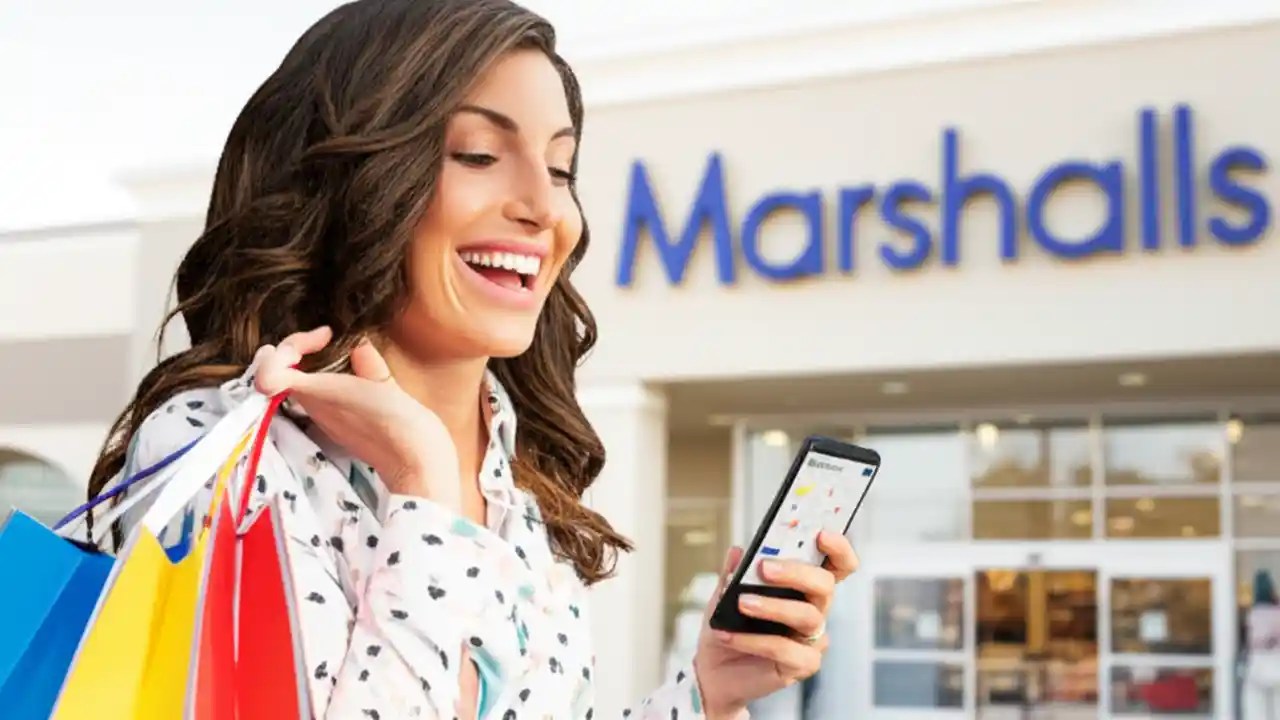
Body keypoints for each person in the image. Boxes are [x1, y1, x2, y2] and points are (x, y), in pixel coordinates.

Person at [84, 1, 860, 717]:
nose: (543, 206)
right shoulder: (224, 454)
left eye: (560, 169)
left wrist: (707, 691)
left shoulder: (515, 479)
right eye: (479, 154)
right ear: (355, 180)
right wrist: (423, 495)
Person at [1245, 570, 1280, 719]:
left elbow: (1252, 641)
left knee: (1257, 710)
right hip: (1276, 661)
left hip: (1258, 663)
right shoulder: (1277, 612)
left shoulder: (1252, 614)